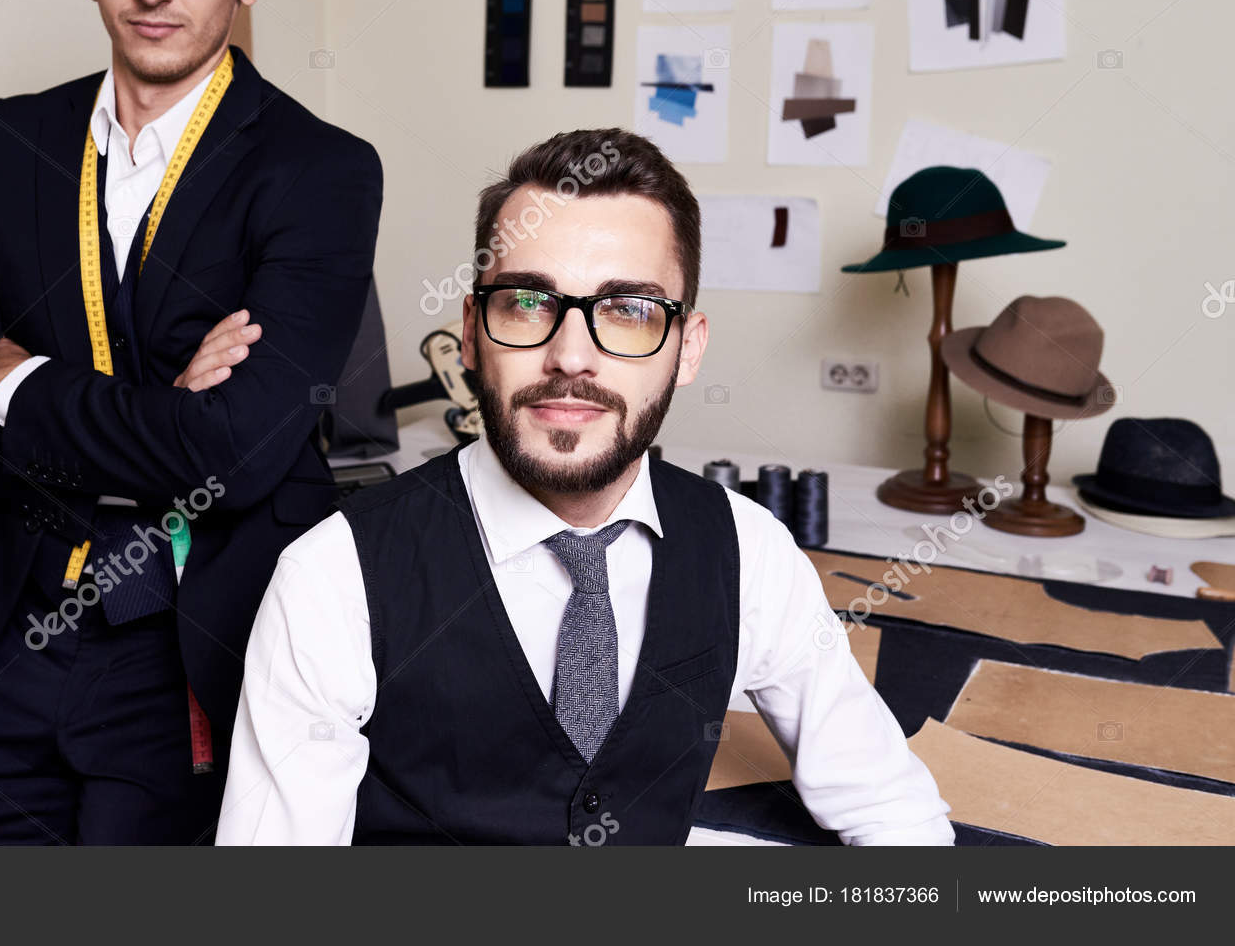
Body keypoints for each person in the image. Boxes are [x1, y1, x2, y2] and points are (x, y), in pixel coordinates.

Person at [216, 129, 952, 845]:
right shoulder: (332, 577)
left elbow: (892, 814)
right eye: (528, 303)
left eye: (628, 311)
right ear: (471, 332)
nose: (571, 357)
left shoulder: (748, 552)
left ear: (686, 348)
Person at [0, 0, 381, 844]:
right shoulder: (16, 136)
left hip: (196, 651)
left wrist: (14, 378)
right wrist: (159, 419)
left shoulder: (319, 169)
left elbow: (234, 456)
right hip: (22, 625)